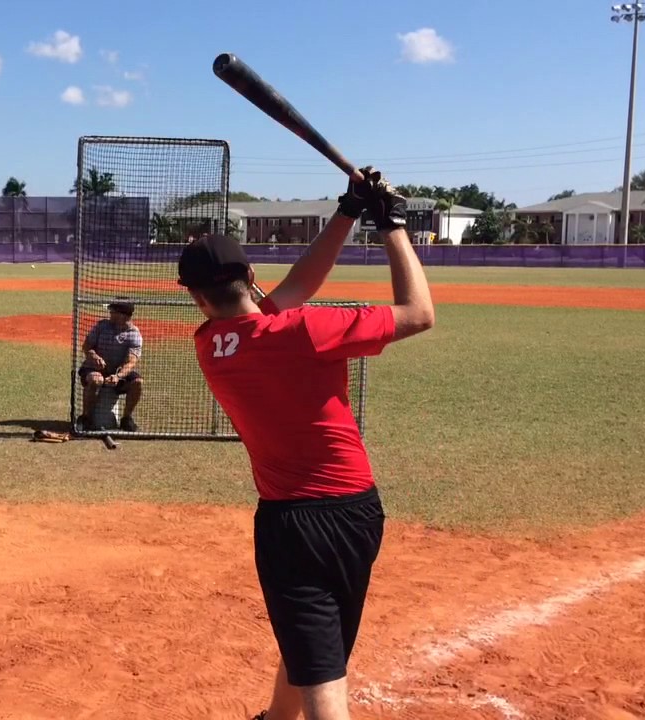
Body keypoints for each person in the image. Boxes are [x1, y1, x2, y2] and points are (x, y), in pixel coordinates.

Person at [176, 168, 435, 720]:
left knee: (321, 675)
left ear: (199, 299)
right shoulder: (307, 329)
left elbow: (293, 291)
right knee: (318, 651)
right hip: (359, 512)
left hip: (293, 525)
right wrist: (389, 224)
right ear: (250, 276)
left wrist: (349, 210)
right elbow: (419, 314)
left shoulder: (210, 345)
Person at [77, 299, 144, 432]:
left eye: (112, 311)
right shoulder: (102, 326)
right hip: (93, 369)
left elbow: (131, 362)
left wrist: (118, 376)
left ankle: (127, 419)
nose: (110, 314)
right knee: (96, 380)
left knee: (138, 382)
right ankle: (85, 418)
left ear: (122, 315)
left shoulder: (134, 335)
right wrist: (94, 356)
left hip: (118, 373)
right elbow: (87, 346)